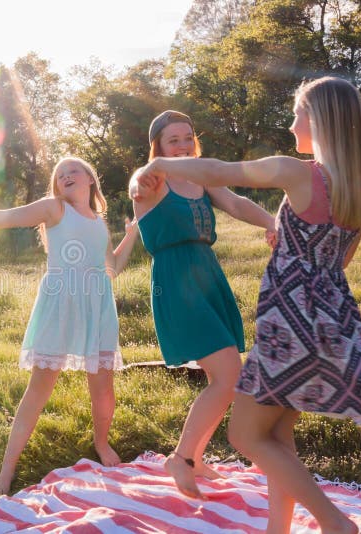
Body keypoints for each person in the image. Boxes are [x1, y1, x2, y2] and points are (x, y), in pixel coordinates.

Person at [137, 77, 361, 533]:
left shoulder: (295, 171)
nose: (291, 123)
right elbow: (337, 262)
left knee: (244, 433)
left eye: (298, 113)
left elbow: (222, 172)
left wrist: (161, 159)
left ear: (318, 120)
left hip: (289, 324)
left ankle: (334, 522)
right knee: (278, 436)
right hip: (331, 322)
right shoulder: (356, 190)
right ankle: (277, 529)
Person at [0, 156, 139, 495]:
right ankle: (6, 471)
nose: (65, 176)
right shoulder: (54, 209)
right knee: (39, 388)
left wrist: (132, 234)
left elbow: (112, 267)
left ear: (91, 179)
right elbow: (8, 216)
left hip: (97, 305)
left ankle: (101, 442)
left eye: (73, 170)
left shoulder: (98, 221)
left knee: (103, 387)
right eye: (59, 174)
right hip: (61, 304)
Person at [128, 110, 277, 498]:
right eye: (172, 139)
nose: (182, 145)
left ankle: (193, 456)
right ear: (157, 146)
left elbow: (237, 203)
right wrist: (142, 178)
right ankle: (180, 459)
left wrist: (272, 224)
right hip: (177, 282)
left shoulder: (199, 179)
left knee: (225, 378)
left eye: (187, 137)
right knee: (228, 376)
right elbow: (137, 184)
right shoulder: (152, 179)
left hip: (207, 276)